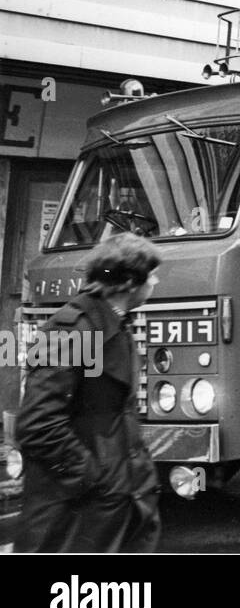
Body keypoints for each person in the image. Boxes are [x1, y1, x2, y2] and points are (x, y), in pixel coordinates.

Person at [15, 233, 162, 553]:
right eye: (151, 275)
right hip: (80, 510)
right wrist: (96, 478)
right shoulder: (71, 330)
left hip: (113, 505)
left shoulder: (114, 324)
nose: (156, 281)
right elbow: (38, 424)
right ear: (128, 284)